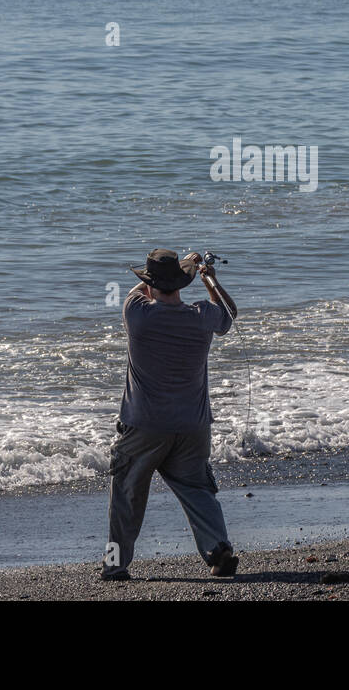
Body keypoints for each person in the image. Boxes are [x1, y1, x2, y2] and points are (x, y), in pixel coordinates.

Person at [102, 248, 239, 581]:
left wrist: (182, 270)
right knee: (197, 490)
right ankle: (218, 549)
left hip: (144, 425)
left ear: (150, 283)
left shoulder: (138, 314)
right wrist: (208, 279)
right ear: (182, 284)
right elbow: (229, 314)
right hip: (192, 425)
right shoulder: (201, 315)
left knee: (126, 495)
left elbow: (140, 290)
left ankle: (115, 564)